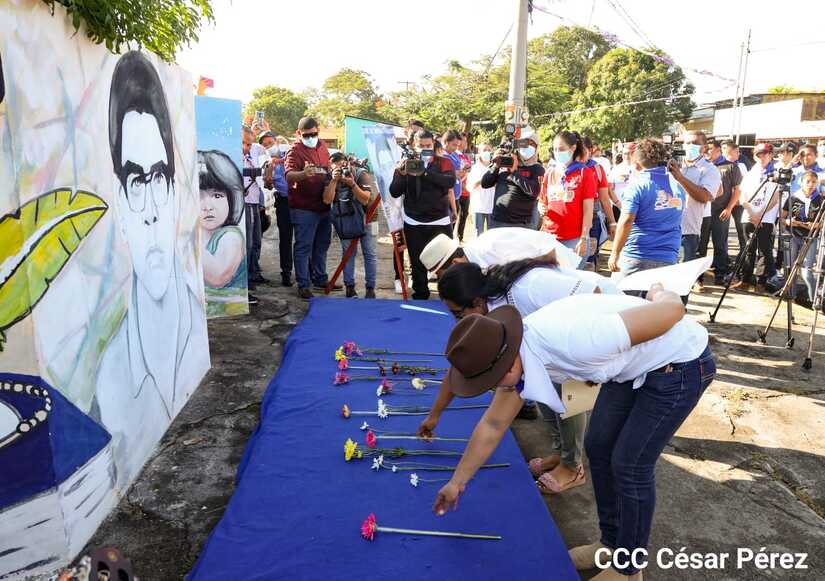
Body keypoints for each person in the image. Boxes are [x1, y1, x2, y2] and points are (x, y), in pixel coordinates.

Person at [431, 286, 714, 581]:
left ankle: (628, 567)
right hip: (630, 368)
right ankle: (611, 543)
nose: (492, 386)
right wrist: (457, 482)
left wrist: (659, 293)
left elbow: (673, 311)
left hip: (679, 364)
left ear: (507, 357)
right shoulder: (516, 354)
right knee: (599, 446)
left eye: (492, 378)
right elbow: (492, 425)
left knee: (630, 464)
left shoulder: (579, 340)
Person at [101, 50, 209, 485]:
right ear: (120, 201)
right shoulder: (108, 381)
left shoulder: (195, 321)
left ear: (176, 191)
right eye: (136, 182)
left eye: (160, 178)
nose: (150, 210)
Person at [430, 259, 620, 495]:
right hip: (551, 346)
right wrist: (435, 415)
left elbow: (594, 295)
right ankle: (561, 453)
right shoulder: (490, 314)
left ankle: (573, 467)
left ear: (477, 302)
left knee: (567, 402)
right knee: (538, 389)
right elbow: (491, 417)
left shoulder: (528, 289)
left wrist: (594, 358)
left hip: (599, 330)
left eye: (458, 314)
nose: (459, 321)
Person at [389, 129, 456, 300]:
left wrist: (424, 172)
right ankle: (420, 295)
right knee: (417, 261)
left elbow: (449, 182)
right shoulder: (406, 163)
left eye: (429, 145)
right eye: (421, 146)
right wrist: (401, 174)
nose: (425, 149)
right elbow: (394, 191)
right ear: (413, 145)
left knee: (444, 261)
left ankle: (447, 295)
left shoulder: (443, 162)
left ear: (434, 144)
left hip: (440, 220)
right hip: (414, 221)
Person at [608, 139, 685, 281]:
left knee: (620, 300)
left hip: (637, 256)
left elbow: (626, 221)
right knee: (655, 302)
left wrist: (615, 253)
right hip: (667, 258)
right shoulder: (678, 188)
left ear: (636, 164)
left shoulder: (637, 187)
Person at [284, 117, 336, 300]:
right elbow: (289, 175)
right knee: (303, 246)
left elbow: (328, 168)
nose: (312, 137)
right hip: (304, 208)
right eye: (307, 135)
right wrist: (303, 174)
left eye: (314, 134)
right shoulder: (294, 151)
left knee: (322, 245)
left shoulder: (322, 146)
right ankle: (303, 284)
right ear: (299, 134)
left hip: (323, 205)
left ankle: (320, 279)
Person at [420, 227, 581, 278]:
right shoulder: (476, 263)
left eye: (444, 275)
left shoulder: (491, 247)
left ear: (455, 263)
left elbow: (546, 250)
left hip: (557, 267)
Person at [323, 152, 377, 298]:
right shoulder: (331, 176)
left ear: (348, 163)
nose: (341, 170)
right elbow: (327, 200)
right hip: (346, 218)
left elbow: (365, 199)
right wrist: (334, 181)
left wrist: (352, 184)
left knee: (369, 253)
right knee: (348, 254)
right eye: (336, 168)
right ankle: (349, 287)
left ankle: (370, 288)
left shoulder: (360, 174)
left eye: (342, 165)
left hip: (369, 217)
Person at [538, 130, 595, 267]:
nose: (557, 153)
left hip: (574, 239)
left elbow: (588, 209)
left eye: (561, 149)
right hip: (550, 236)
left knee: (571, 282)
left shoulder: (584, 173)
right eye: (555, 149)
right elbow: (542, 200)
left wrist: (584, 237)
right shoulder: (550, 173)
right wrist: (540, 206)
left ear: (573, 148)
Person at [667, 131, 721, 266]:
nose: (690, 146)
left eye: (695, 143)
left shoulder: (709, 170)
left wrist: (680, 177)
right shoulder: (673, 165)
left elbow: (705, 196)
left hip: (686, 230)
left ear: (704, 148)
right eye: (687, 143)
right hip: (664, 227)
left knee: (680, 276)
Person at [733, 143, 779, 293]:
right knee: (748, 249)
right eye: (759, 154)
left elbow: (776, 197)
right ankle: (745, 280)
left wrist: (761, 214)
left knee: (764, 250)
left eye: (765, 154)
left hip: (766, 218)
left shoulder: (776, 173)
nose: (762, 157)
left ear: (771, 155)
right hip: (749, 216)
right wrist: (752, 214)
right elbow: (742, 196)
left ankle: (761, 282)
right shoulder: (750, 173)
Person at [198, 150, 247, 291]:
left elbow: (217, 277)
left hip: (228, 307)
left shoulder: (230, 236)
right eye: (197, 196)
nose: (208, 207)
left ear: (232, 198)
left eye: (217, 196)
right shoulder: (200, 232)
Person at [484, 126, 545, 229]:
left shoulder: (537, 168)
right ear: (518, 145)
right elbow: (485, 183)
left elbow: (534, 191)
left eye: (532, 144)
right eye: (525, 143)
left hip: (522, 225)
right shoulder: (505, 162)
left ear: (537, 148)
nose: (528, 147)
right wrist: (496, 165)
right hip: (498, 222)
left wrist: (514, 172)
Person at [781, 171, 824, 306]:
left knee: (807, 271)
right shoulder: (793, 197)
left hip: (810, 237)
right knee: (791, 267)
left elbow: (822, 222)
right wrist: (789, 222)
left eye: (813, 182)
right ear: (801, 183)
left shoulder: (820, 200)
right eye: (808, 182)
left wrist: (816, 224)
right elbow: (782, 217)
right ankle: (791, 297)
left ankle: (814, 300)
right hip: (794, 235)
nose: (811, 185)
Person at [260, 132, 293, 287]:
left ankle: (306, 273)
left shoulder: (288, 153)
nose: (269, 146)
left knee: (303, 240)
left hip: (300, 202)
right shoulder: (267, 163)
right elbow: (267, 185)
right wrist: (269, 174)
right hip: (283, 202)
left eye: (270, 142)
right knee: (285, 239)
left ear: (276, 141)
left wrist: (280, 160)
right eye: (265, 145)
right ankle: (286, 273)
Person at [708, 141, 743, 284]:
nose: (707, 151)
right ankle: (698, 278)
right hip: (703, 212)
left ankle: (720, 275)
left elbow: (737, 191)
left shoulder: (731, 166)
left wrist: (729, 208)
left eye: (710, 149)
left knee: (720, 244)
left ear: (717, 150)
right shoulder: (704, 165)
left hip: (721, 211)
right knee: (701, 244)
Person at [242, 125, 268, 296]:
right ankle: (246, 279)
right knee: (248, 243)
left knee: (256, 240)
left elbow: (268, 154)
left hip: (255, 201)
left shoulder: (253, 153)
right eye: (245, 143)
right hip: (244, 203)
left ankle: (254, 272)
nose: (248, 147)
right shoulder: (236, 157)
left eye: (250, 144)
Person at [722, 141, 750, 251]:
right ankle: (724, 257)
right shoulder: (719, 165)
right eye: (737, 152)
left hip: (738, 203)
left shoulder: (741, 165)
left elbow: (744, 184)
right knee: (722, 232)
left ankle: (744, 254)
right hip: (723, 204)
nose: (739, 154)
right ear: (729, 151)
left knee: (741, 230)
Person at [467, 142, 495, 236]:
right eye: (484, 150)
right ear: (479, 152)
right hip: (478, 206)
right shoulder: (475, 168)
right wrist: (483, 180)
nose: (487, 152)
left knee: (492, 234)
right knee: (478, 234)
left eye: (489, 150)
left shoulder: (495, 168)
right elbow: (470, 186)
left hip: (492, 206)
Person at [607, 142, 636, 223]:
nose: (626, 156)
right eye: (625, 153)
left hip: (637, 208)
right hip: (619, 209)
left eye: (630, 153)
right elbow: (610, 188)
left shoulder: (641, 168)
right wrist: (618, 204)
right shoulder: (616, 169)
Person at [442, 129, 465, 224]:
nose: (456, 148)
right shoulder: (441, 156)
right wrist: (454, 173)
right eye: (454, 145)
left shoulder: (454, 154)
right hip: (447, 199)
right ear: (445, 142)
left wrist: (464, 170)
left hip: (456, 196)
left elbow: (458, 169)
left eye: (457, 145)